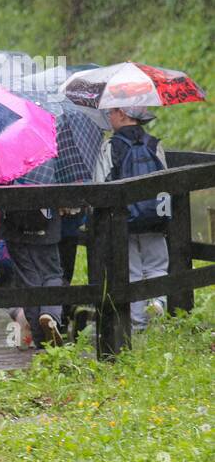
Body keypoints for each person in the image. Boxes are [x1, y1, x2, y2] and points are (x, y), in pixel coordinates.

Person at [94, 105, 169, 329]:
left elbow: (100, 185)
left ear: (123, 114)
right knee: (157, 265)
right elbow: (167, 181)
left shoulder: (110, 146)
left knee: (132, 271)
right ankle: (157, 303)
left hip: (123, 220)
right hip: (154, 217)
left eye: (112, 111)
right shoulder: (154, 143)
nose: (109, 116)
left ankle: (137, 324)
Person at [1, 191, 64, 347]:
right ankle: (50, 315)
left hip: (15, 226)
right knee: (52, 274)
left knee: (29, 281)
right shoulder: (47, 168)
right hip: (46, 225)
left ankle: (40, 338)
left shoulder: (8, 170)